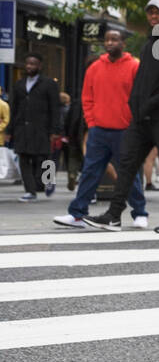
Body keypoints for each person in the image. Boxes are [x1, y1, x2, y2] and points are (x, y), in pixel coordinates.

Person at [84, 0, 159, 233]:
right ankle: (113, 215)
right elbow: (143, 81)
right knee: (127, 164)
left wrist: (153, 102)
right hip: (142, 118)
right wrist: (136, 104)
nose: (153, 17)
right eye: (150, 13)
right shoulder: (148, 44)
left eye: (158, 13)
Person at [53, 28, 148, 229]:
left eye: (114, 39)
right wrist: (92, 121)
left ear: (123, 43)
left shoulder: (134, 67)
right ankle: (77, 214)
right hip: (98, 130)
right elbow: (87, 97)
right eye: (107, 40)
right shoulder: (95, 68)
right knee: (89, 171)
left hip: (125, 130)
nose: (110, 43)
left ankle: (140, 213)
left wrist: (133, 123)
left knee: (128, 173)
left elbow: (140, 97)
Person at [7, 54, 62, 202]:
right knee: (24, 159)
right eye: (28, 63)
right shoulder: (19, 84)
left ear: (40, 66)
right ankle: (30, 191)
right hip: (22, 129)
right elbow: (14, 107)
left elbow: (55, 108)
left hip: (42, 129)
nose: (30, 66)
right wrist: (10, 130)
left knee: (44, 158)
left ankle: (48, 181)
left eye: (33, 64)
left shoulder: (49, 84)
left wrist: (55, 130)